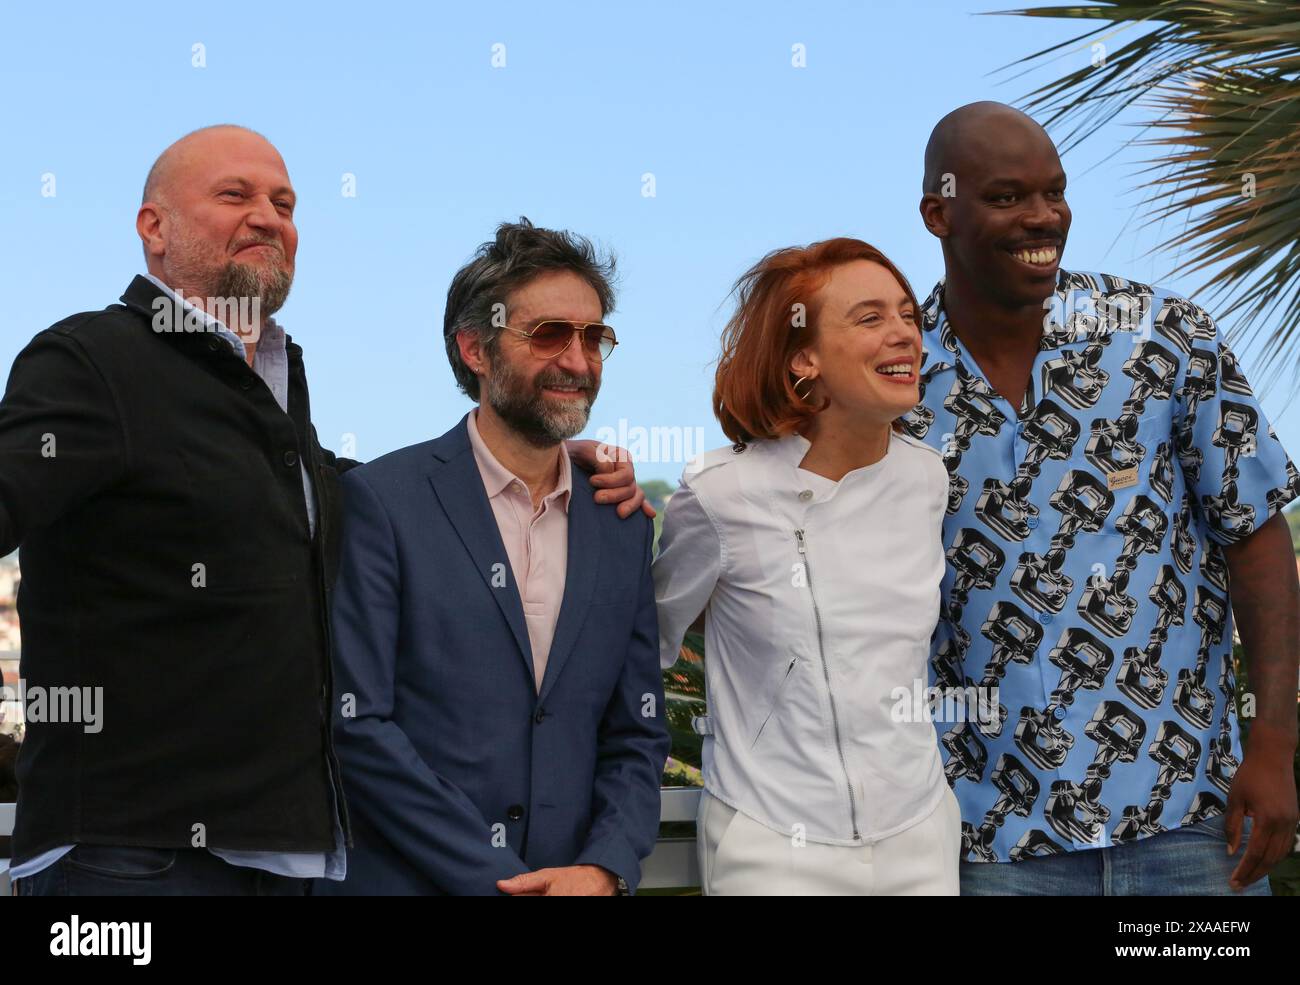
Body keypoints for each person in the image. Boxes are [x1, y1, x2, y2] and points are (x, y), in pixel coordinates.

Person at [2, 128, 646, 896]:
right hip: (130, 858)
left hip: (279, 862)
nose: (268, 216)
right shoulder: (92, 360)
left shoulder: (277, 408)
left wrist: (550, 455)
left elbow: (390, 492)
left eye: (284, 202)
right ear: (154, 228)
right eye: (233, 195)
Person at [909, 101, 1300, 895]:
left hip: (1191, 817)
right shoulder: (893, 379)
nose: (1043, 217)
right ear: (938, 213)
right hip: (989, 837)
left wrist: (1273, 745)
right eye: (1009, 196)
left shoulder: (1163, 336)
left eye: (1054, 192)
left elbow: (1256, 538)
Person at [321, 219, 669, 895]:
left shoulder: (621, 521)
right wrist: (497, 879)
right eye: (549, 335)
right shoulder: (381, 502)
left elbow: (637, 730)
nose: (578, 358)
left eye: (594, 336)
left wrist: (605, 866)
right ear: (475, 348)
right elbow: (356, 725)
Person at [654, 238, 961, 895]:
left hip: (920, 837)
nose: (906, 333)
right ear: (804, 360)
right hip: (772, 846)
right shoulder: (719, 493)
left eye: (909, 315)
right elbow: (646, 647)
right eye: (871, 318)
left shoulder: (928, 479)